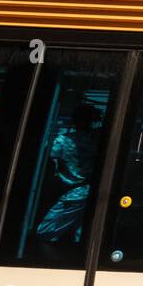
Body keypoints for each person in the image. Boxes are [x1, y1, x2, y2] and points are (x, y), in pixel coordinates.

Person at [36, 102, 102, 244]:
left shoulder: (62, 141)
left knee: (45, 232)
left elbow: (48, 160)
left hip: (73, 194)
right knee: (81, 233)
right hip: (92, 191)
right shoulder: (99, 139)